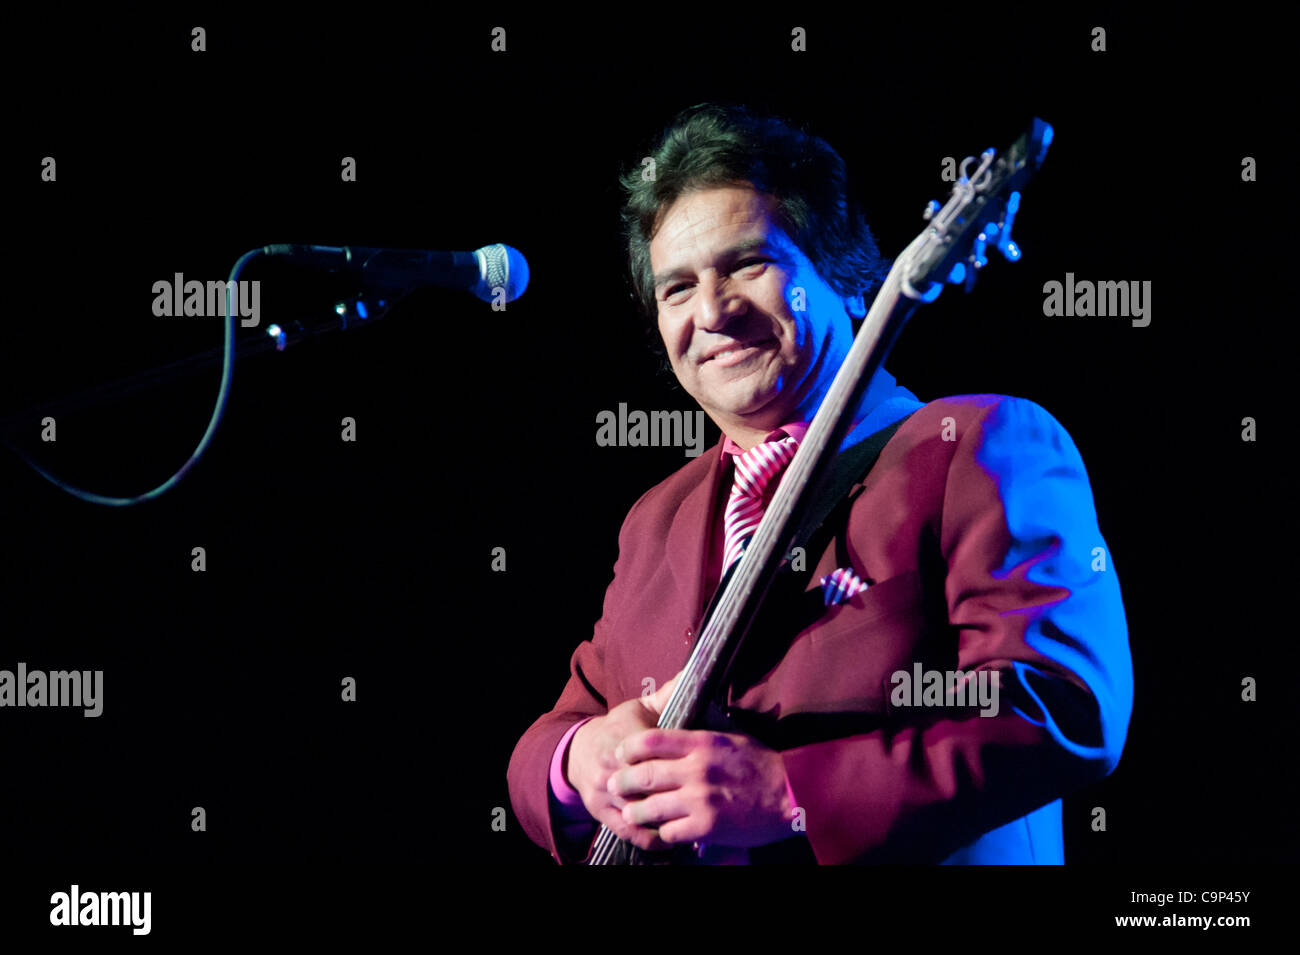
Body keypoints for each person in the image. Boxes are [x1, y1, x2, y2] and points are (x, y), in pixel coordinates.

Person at [506, 103, 1133, 864]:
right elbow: (559, 726)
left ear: (845, 277)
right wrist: (581, 761)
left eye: (747, 264)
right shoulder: (656, 517)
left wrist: (789, 794)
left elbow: (1063, 704)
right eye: (677, 289)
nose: (713, 310)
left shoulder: (980, 444)